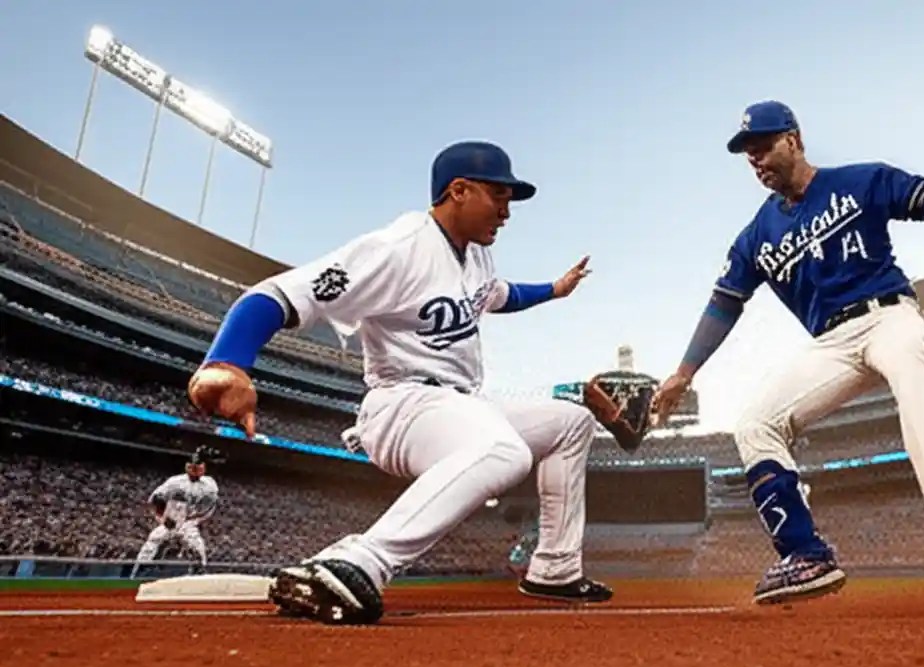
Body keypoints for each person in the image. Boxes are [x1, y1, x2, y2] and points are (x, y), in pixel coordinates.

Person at [187, 141, 612, 625]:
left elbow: (501, 296)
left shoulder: (476, 257)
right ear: (458, 190)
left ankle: (554, 569)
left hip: (461, 404)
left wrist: (555, 290)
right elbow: (277, 293)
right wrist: (227, 361)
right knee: (505, 451)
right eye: (499, 195)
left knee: (572, 423)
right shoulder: (398, 249)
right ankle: (357, 561)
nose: (507, 211)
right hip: (401, 406)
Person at [651, 100, 924, 605]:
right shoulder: (755, 236)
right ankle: (804, 555)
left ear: (794, 139)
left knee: (910, 366)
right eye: (748, 153)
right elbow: (724, 303)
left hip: (888, 316)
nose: (756, 159)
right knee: (755, 424)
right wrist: (685, 372)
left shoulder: (860, 182)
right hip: (830, 345)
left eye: (764, 146)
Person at [129, 448, 219, 578]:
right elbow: (155, 501)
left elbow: (210, 506)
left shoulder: (210, 485)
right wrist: (164, 519)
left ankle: (198, 574)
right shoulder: (175, 482)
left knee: (197, 546)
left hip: (189, 522)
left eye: (199, 467)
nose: (195, 470)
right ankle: (138, 572)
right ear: (187, 467)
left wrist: (197, 520)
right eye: (193, 467)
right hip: (172, 519)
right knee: (154, 540)